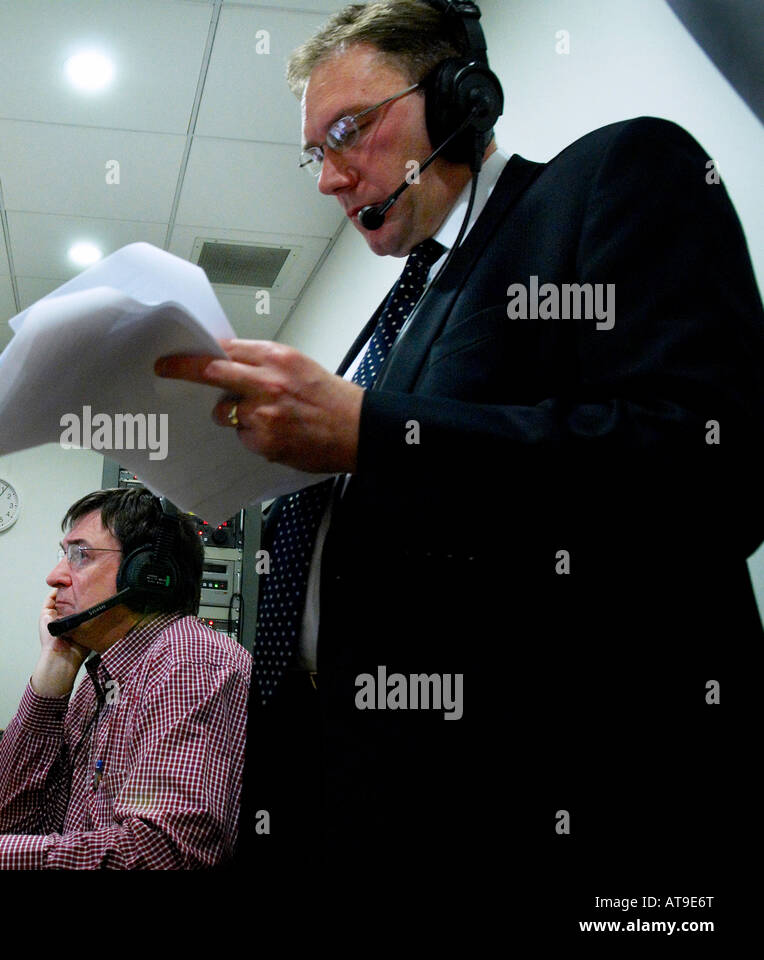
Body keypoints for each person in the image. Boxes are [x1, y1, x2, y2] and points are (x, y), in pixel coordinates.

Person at [155, 0, 764, 867]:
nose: (329, 177)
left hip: (557, 798)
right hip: (371, 792)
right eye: (314, 154)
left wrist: (372, 432)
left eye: (349, 131)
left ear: (460, 100)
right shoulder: (404, 314)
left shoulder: (617, 174)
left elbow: (710, 462)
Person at [0, 487, 251, 869]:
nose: (55, 576)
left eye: (80, 555)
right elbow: (12, 819)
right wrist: (53, 671)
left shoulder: (192, 663)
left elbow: (164, 854)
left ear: (147, 572)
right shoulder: (103, 678)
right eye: (64, 555)